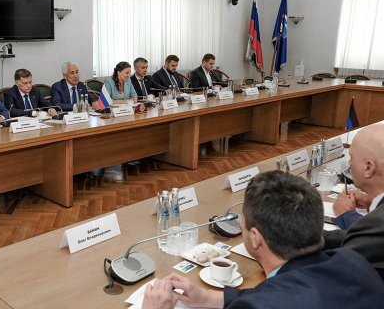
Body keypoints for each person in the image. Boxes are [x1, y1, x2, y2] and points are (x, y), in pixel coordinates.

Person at [142, 170, 384, 309]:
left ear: (255, 238)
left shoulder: (262, 305)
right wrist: (208, 298)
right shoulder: (353, 262)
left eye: (244, 222)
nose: (240, 225)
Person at [323, 123, 384, 279]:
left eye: (351, 157)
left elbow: (336, 269)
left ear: (368, 168)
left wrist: (347, 214)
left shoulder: (377, 222)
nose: (349, 164)